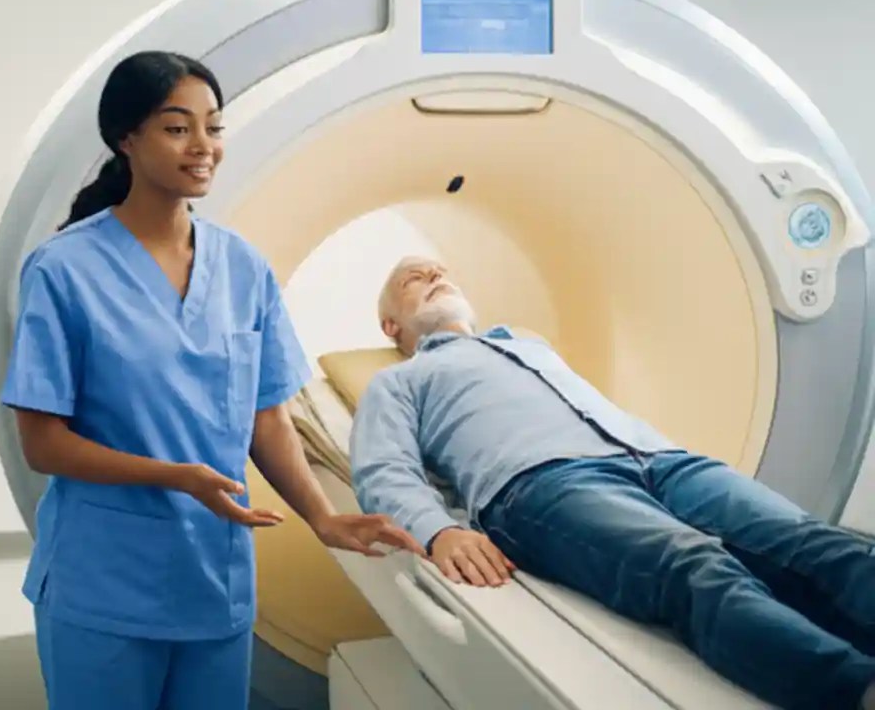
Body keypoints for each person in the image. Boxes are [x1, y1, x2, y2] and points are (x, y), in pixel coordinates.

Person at [0, 51, 424, 710]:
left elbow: (268, 418)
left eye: (214, 127)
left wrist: (324, 518)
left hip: (214, 581)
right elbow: (43, 445)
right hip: (103, 581)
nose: (203, 147)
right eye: (177, 128)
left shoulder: (242, 268)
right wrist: (178, 476)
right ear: (126, 139)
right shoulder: (63, 271)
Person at [349, 255, 875, 710]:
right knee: (693, 563)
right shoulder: (400, 381)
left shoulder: (532, 349)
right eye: (414, 278)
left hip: (661, 459)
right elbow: (382, 470)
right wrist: (440, 531)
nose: (436, 275)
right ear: (390, 325)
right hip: (542, 484)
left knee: (814, 540)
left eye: (441, 271)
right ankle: (855, 691)